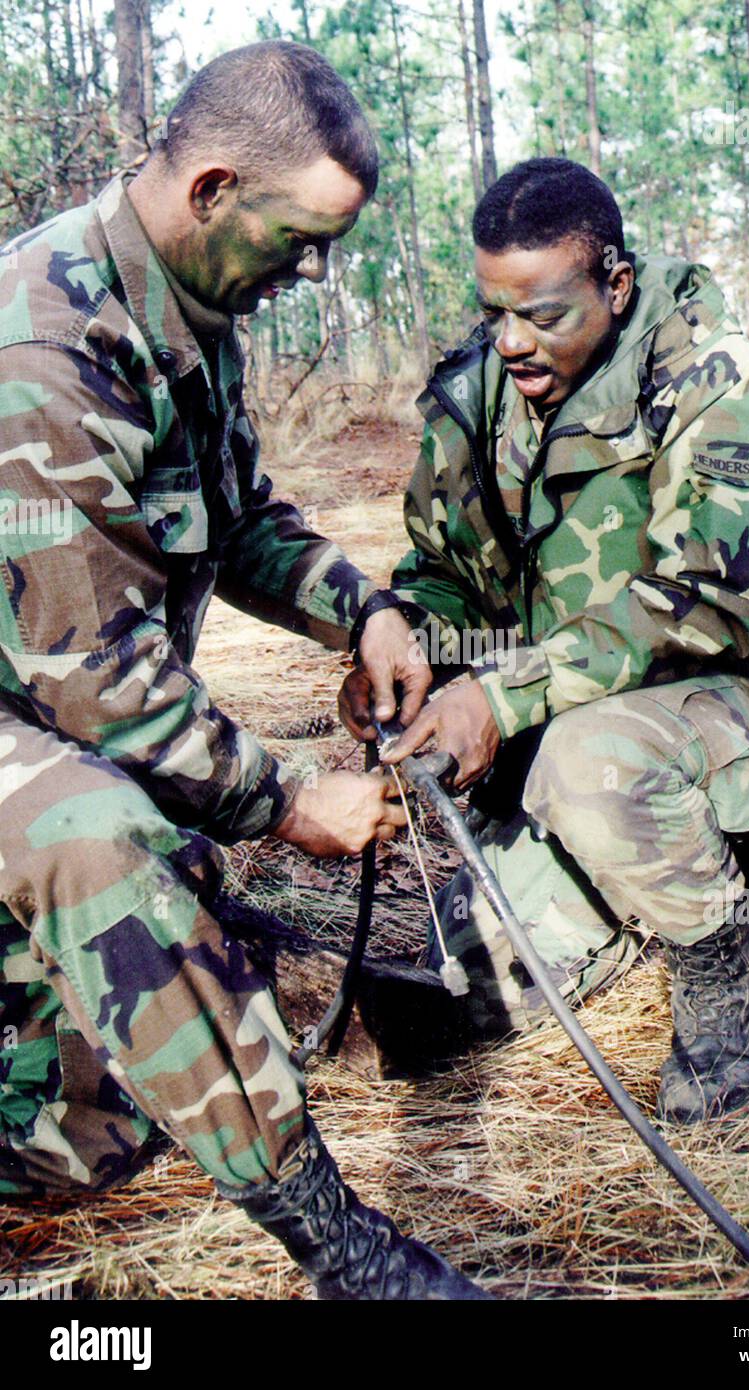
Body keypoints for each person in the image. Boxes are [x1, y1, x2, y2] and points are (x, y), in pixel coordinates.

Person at [0, 40, 492, 1301]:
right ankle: (346, 1253)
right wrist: (287, 803)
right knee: (97, 839)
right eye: (302, 240)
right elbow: (93, 681)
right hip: (47, 714)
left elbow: (241, 517)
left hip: (48, 698)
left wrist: (365, 612)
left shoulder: (187, 306)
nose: (310, 275)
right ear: (214, 187)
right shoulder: (48, 348)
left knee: (98, 1126)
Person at [340, 156, 749, 1125]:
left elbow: (711, 604)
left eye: (544, 314)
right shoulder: (478, 398)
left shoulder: (718, 384)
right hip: (565, 715)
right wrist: (404, 641)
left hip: (724, 703)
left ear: (615, 285)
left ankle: (721, 958)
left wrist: (502, 696)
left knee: (589, 767)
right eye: (495, 311)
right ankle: (600, 886)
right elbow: (448, 568)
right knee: (448, 994)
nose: (512, 340)